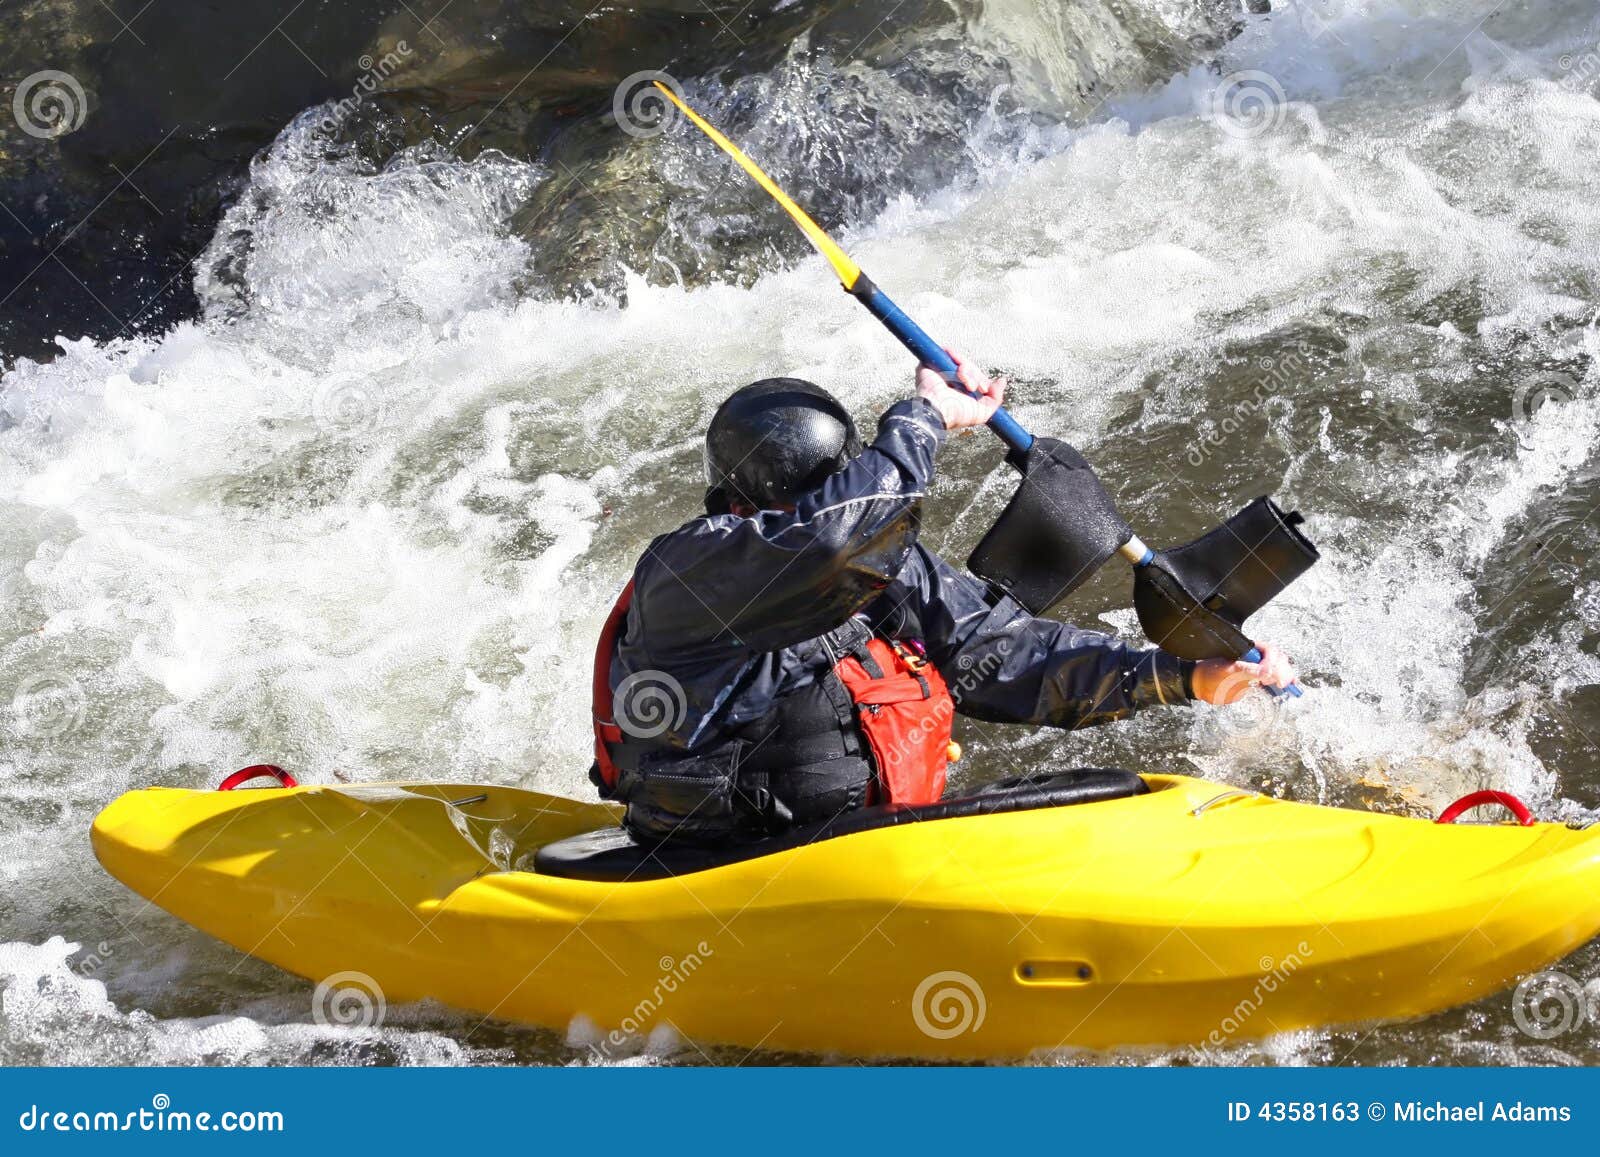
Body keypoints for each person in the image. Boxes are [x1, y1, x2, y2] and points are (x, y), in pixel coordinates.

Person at [590, 356, 1297, 845]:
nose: (827, 512)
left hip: (868, 850)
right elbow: (832, 541)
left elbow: (1007, 655)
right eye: (803, 503)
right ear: (742, 502)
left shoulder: (878, 565)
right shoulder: (690, 570)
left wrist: (1181, 674)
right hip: (729, 865)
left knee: (1101, 788)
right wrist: (925, 415)